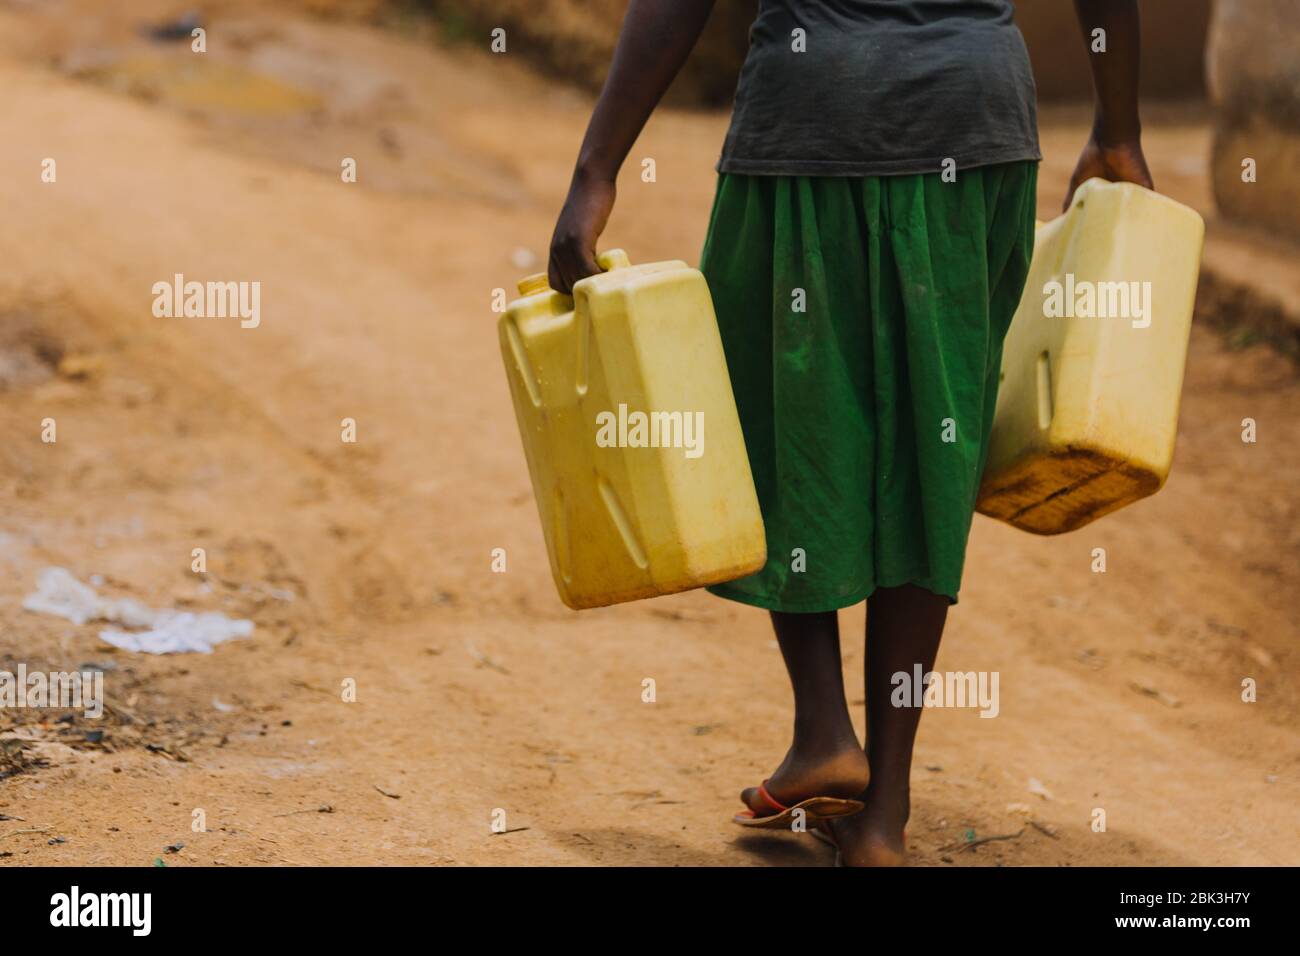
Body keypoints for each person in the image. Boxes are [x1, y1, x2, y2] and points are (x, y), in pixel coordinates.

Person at [547, 0, 1153, 866]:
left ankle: (826, 728)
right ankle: (884, 813)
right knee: (931, 450)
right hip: (976, 125)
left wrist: (596, 168)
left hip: (815, 121)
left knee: (783, 421)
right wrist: (1118, 126)